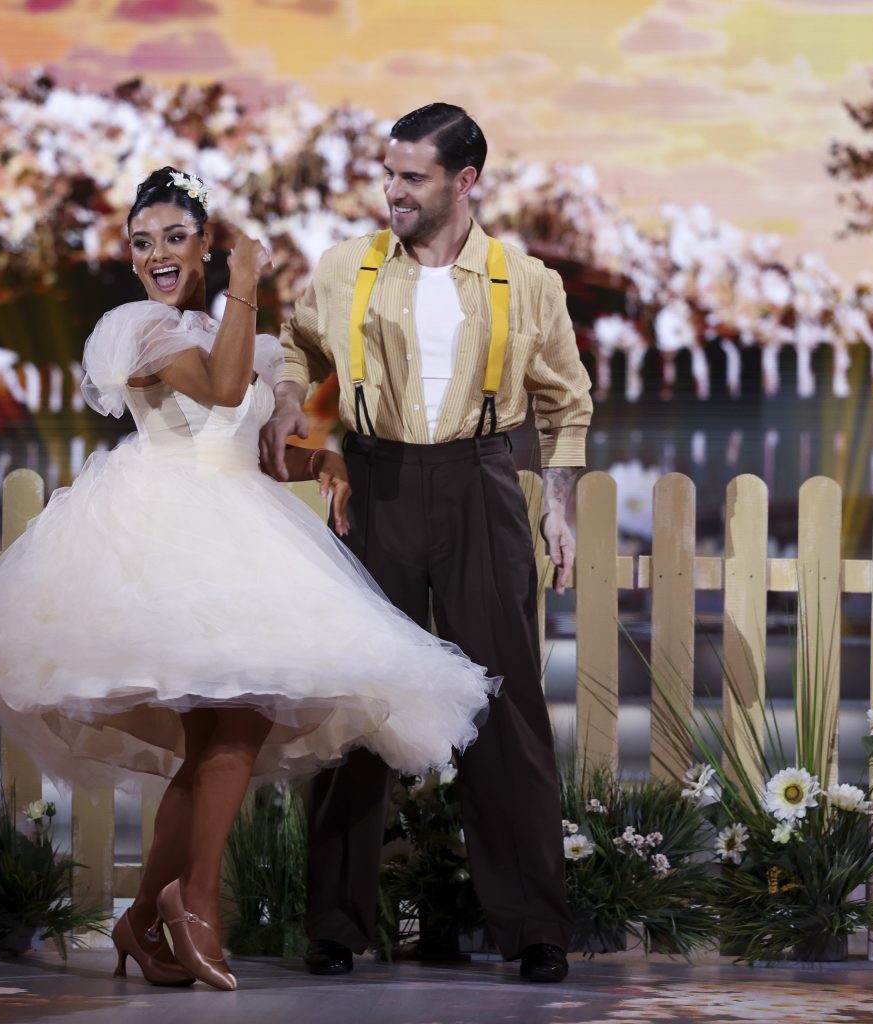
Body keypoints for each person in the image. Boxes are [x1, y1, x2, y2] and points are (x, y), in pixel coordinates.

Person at [0, 166, 498, 992]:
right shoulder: (139, 328)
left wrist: (314, 457)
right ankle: (195, 905)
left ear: (205, 241)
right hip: (173, 534)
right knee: (236, 726)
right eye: (142, 243)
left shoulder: (237, 339)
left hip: (241, 527)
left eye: (176, 237)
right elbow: (214, 393)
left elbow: (243, 433)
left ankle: (147, 918)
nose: (157, 256)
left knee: (225, 736)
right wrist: (249, 279)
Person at [261, 104, 594, 984]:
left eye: (412, 177)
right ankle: (335, 925)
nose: (392, 191)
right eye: (389, 173)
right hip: (375, 485)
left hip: (482, 485)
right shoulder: (346, 269)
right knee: (358, 698)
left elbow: (565, 403)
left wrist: (559, 504)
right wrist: (298, 408)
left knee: (505, 702)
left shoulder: (526, 281)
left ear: (465, 181)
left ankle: (534, 927)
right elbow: (297, 350)